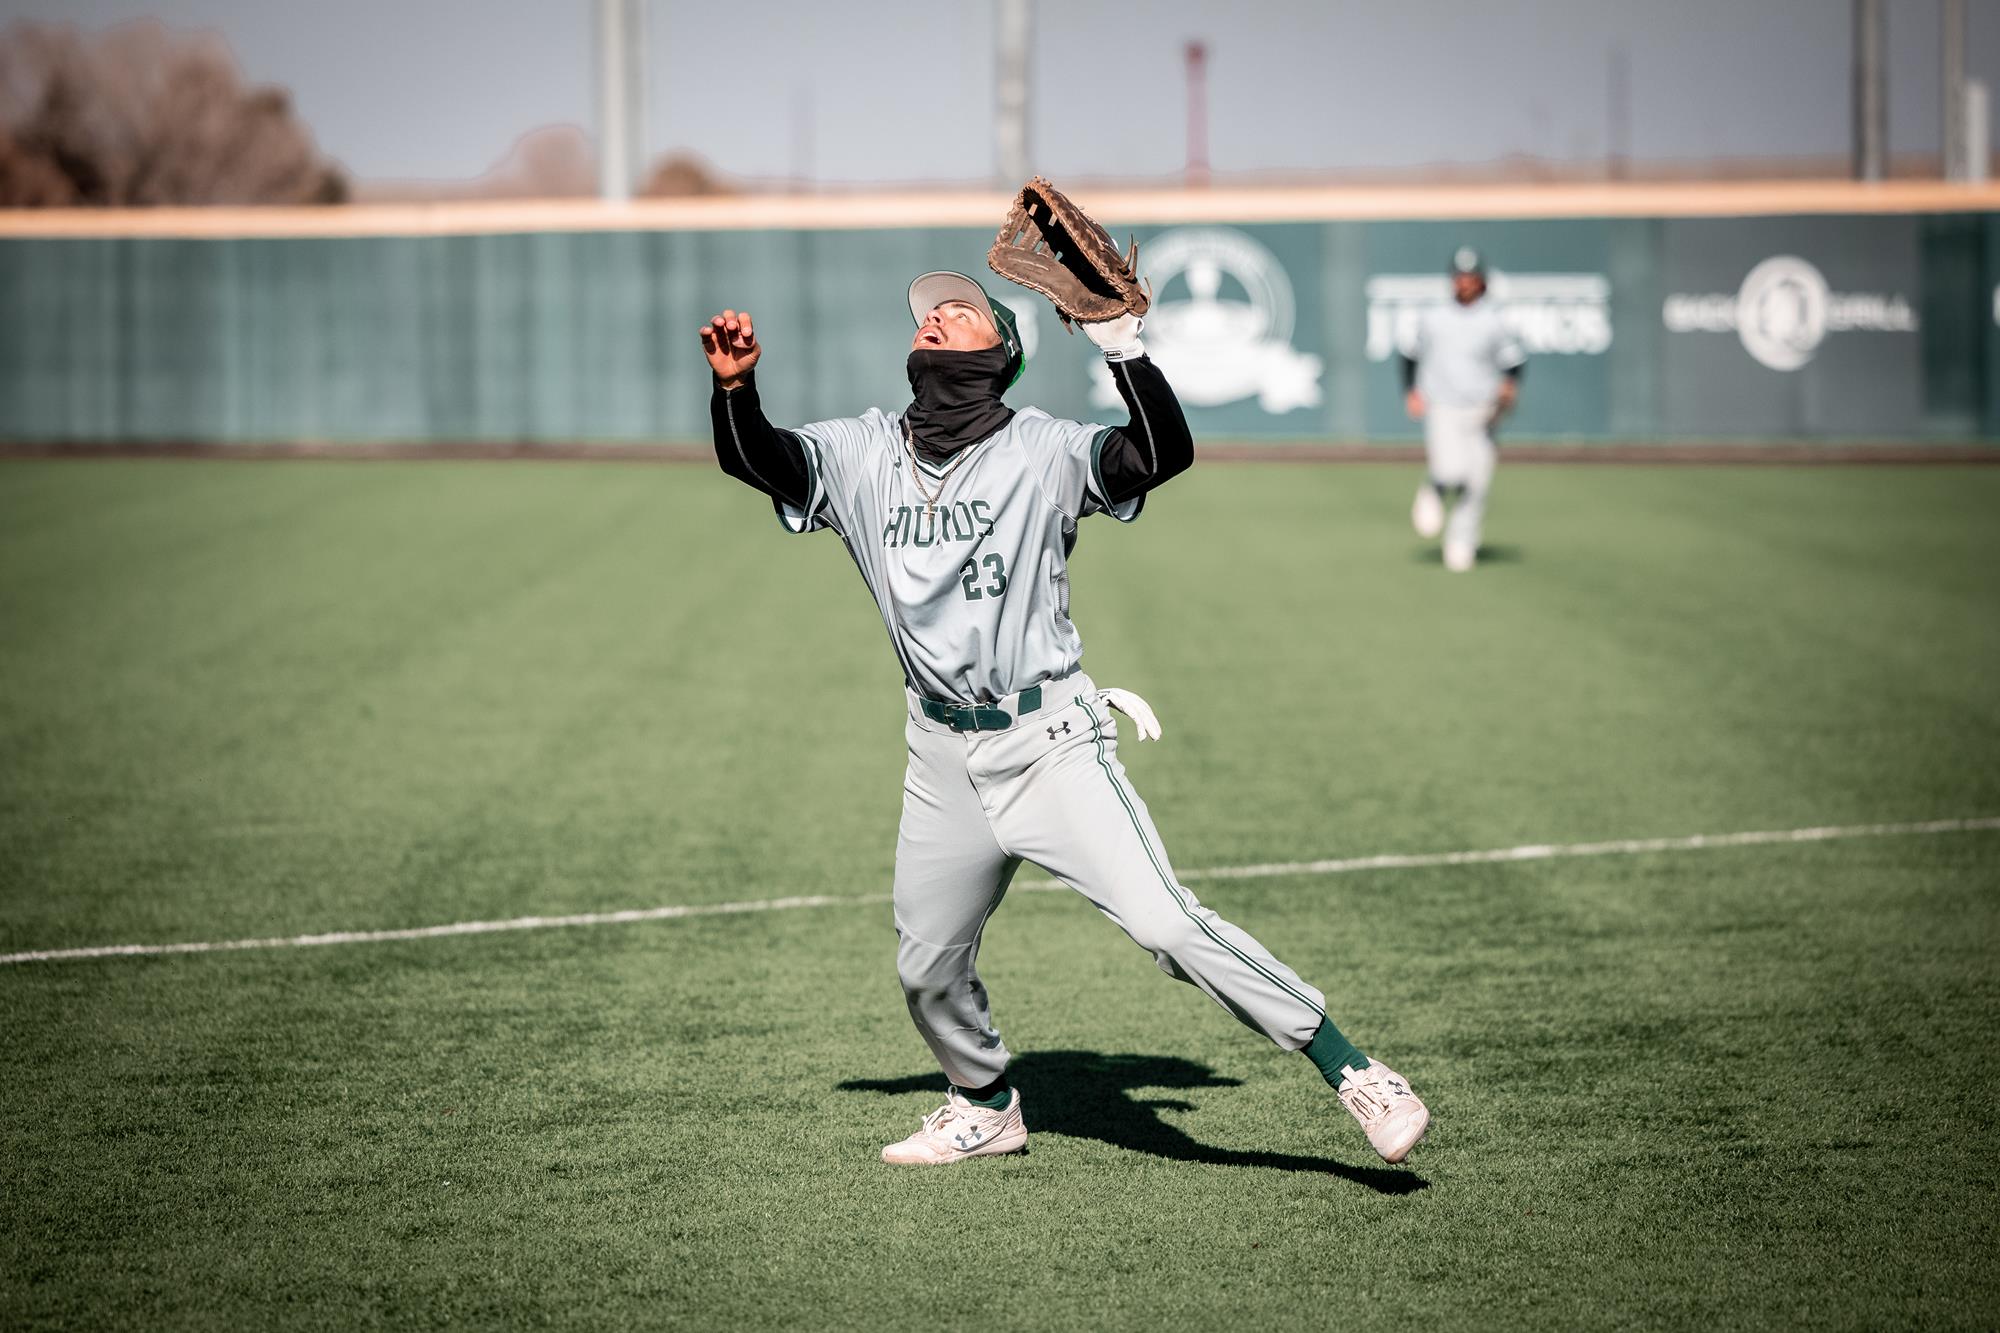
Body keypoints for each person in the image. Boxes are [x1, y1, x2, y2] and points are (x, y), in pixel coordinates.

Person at [700, 272, 1429, 1166]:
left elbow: (1160, 453)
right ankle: (987, 1102)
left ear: (1000, 352)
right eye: (929, 310)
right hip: (938, 754)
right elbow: (761, 459)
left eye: (960, 309)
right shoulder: (861, 451)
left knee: (1165, 924)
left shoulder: (1043, 448)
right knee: (926, 968)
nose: (936, 313)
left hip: (1050, 743)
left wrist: (1124, 347)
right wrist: (735, 388)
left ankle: (1355, 1069)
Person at [1400, 247, 1526, 572]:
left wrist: (1509, 387)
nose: (1466, 283)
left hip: (1482, 409)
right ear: (1452, 280)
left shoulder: (1494, 319)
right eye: (1460, 277)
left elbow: (1513, 361)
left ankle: (1461, 540)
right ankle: (1435, 486)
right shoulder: (1434, 317)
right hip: (1443, 403)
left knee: (1478, 481)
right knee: (1451, 469)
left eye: (1471, 277)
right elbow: (1410, 353)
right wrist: (1411, 390)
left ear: (1481, 280)